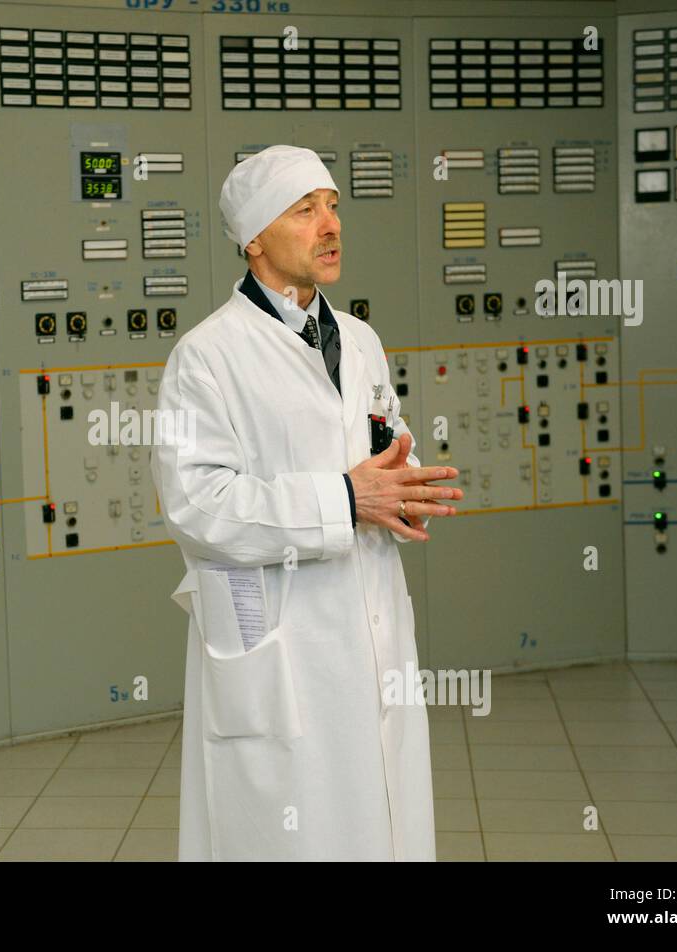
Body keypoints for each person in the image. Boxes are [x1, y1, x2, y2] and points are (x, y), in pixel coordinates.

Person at [149, 144, 463, 861]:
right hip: (281, 647)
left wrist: (402, 488)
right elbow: (196, 504)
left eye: (333, 206)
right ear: (254, 238)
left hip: (372, 626)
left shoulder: (358, 340)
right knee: (291, 831)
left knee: (384, 818)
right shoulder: (207, 357)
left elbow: (384, 440)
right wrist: (346, 498)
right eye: (304, 209)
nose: (330, 225)